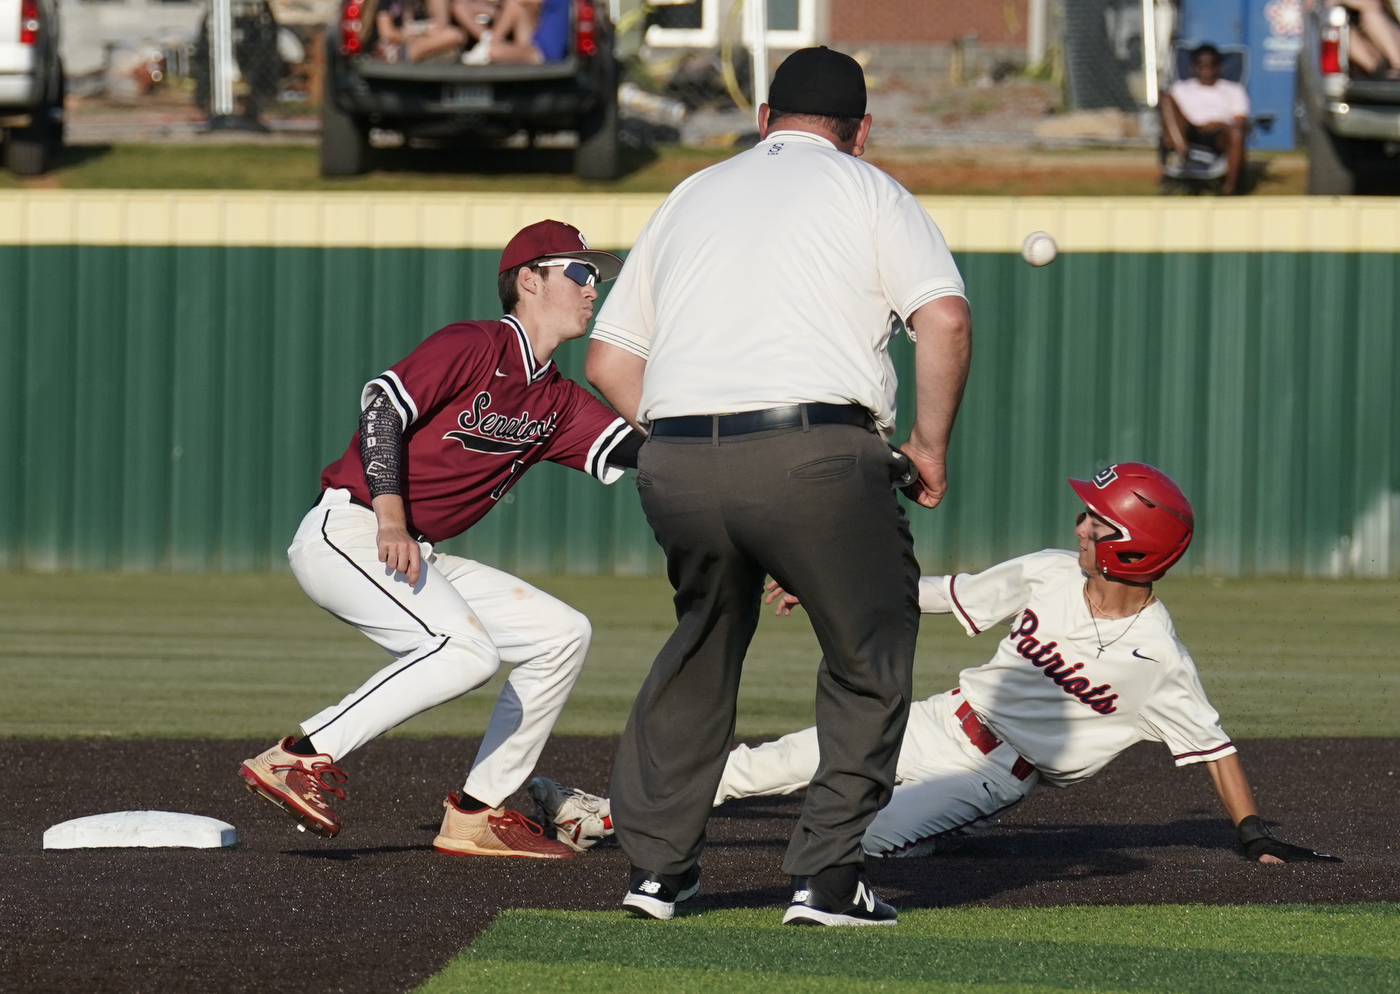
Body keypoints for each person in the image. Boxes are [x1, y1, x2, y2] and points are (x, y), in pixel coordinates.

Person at [584, 47, 972, 926]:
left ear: (763, 119)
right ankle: (828, 880)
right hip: (817, 453)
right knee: (869, 657)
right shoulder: (868, 189)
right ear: (860, 131)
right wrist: (929, 447)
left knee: (701, 644)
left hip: (676, 455)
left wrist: (699, 445)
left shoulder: (693, 192)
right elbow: (943, 317)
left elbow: (608, 360)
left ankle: (658, 874)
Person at [530, 464, 1341, 867]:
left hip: (997, 775)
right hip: (935, 721)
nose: (1080, 525)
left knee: (848, 845)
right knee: (772, 765)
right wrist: (821, 589)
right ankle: (599, 817)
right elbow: (931, 591)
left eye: (1097, 521)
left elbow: (1214, 746)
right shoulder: (1053, 570)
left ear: (1131, 545)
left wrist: (1250, 831)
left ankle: (911, 831)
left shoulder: (1157, 657)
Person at [237, 220, 639, 859]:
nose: (595, 291)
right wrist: (391, 517)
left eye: (598, 279)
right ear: (530, 280)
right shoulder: (475, 343)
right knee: (467, 651)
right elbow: (381, 408)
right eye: (582, 274)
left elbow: (644, 451)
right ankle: (299, 756)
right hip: (353, 529)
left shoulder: (557, 398)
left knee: (561, 633)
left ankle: (477, 813)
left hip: (412, 548)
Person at [1160, 44, 1249, 195]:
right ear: (1193, 67)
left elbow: (1240, 119)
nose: (1205, 70)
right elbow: (1172, 116)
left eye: (1210, 65)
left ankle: (1229, 189)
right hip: (1189, 131)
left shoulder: (1233, 89)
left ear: (1218, 67)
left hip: (1219, 134)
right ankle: (1182, 152)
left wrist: (1220, 124)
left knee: (1237, 133)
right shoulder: (1181, 88)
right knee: (1166, 98)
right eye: (1200, 65)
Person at [459, 0, 569, 65]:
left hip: (545, 52)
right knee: (514, 6)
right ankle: (488, 44)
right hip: (536, 41)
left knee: (494, 52)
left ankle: (487, 48)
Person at [375, 0, 466, 63]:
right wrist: (422, 31)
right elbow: (386, 33)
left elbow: (409, 25)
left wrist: (426, 28)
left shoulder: (408, 3)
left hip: (412, 41)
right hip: (393, 50)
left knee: (452, 35)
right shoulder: (386, 2)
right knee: (455, 36)